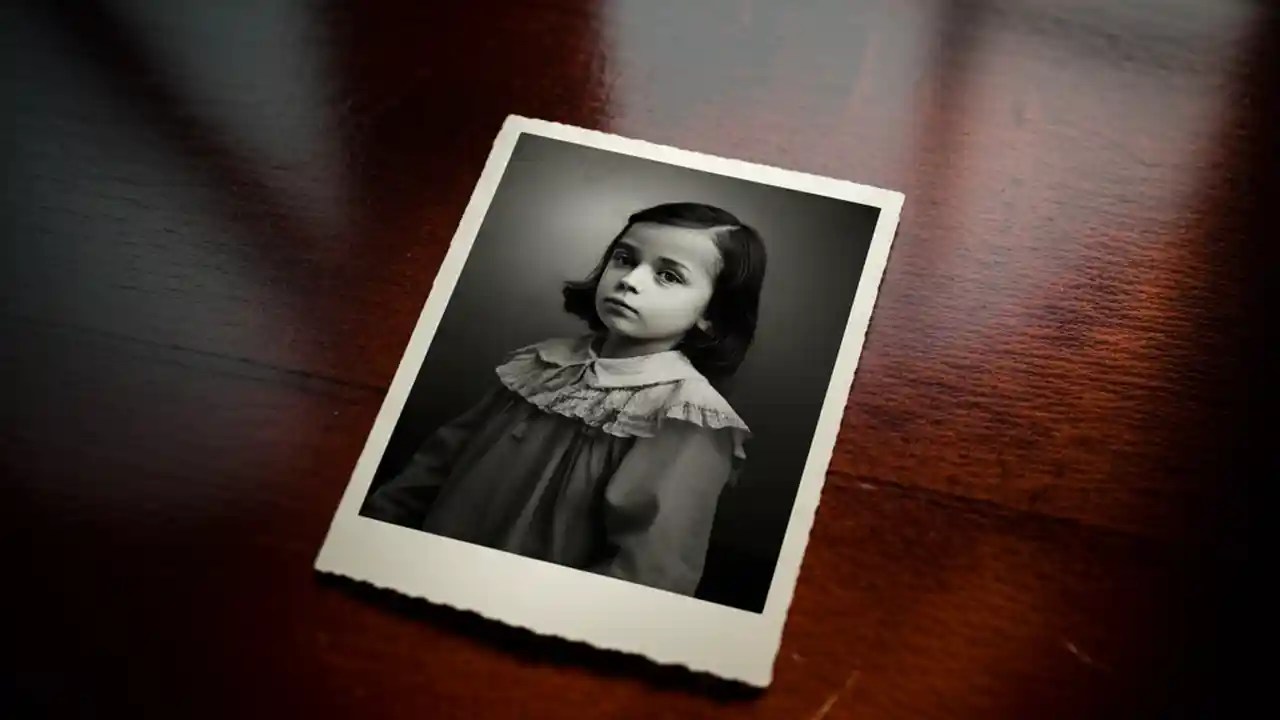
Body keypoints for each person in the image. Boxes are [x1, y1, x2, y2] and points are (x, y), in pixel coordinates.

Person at [362, 203, 767, 596]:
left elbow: (649, 572)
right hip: (420, 569)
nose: (630, 280)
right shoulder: (543, 362)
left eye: (668, 276)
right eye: (625, 259)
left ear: (710, 314)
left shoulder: (683, 415)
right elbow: (438, 463)